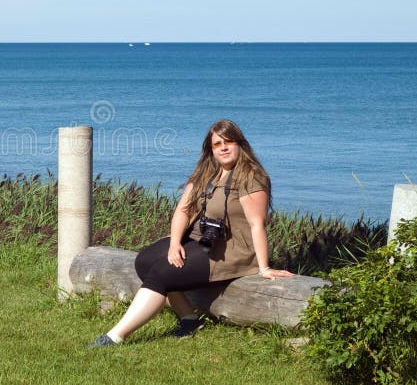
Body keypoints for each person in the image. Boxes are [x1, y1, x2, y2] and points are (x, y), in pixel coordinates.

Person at [89, 119, 293, 348]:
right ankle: (189, 319)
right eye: (217, 144)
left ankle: (114, 336)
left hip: (232, 249)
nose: (223, 147)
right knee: (145, 261)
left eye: (229, 141)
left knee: (162, 273)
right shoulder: (208, 174)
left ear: (240, 144)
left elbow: (257, 224)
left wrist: (264, 267)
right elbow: (183, 211)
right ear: (210, 149)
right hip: (201, 239)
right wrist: (175, 242)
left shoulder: (250, 177)